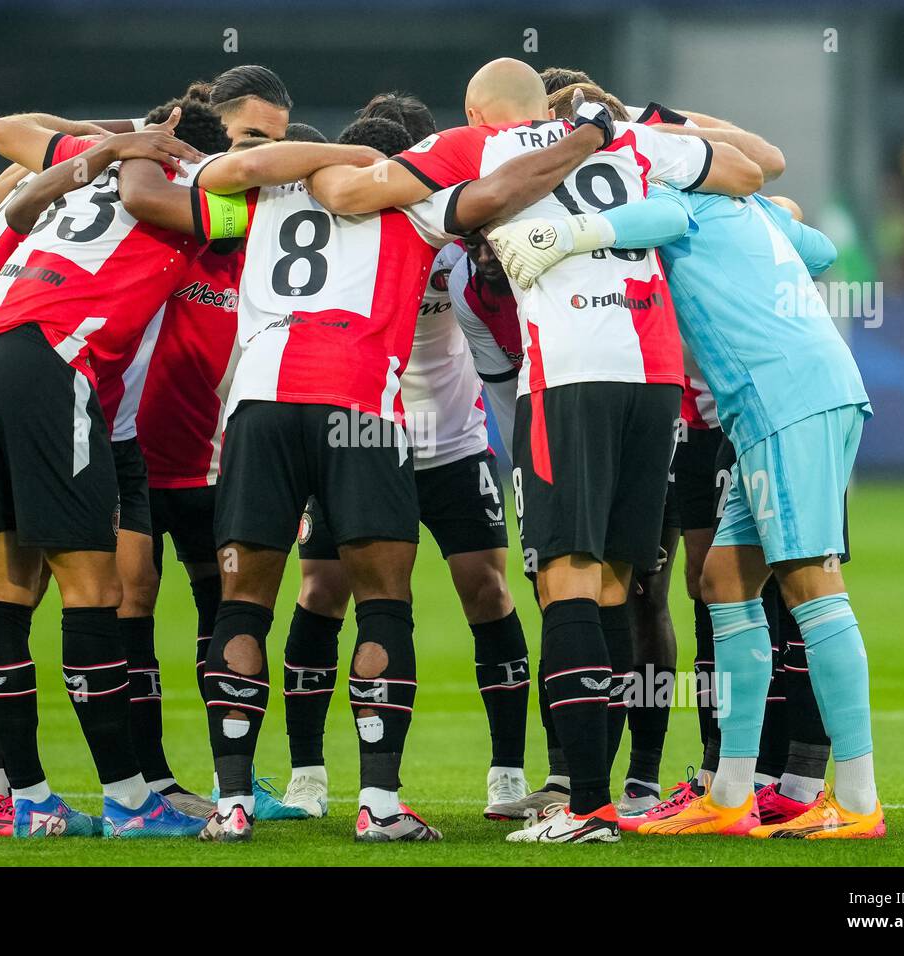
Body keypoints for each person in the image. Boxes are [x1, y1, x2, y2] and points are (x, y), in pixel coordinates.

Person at [180, 106, 621, 843]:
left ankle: (230, 804)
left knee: (242, 602)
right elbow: (496, 194)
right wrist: (582, 138)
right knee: (382, 600)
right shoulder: (418, 206)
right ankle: (379, 805)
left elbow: (215, 177)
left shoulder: (265, 196)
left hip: (258, 403)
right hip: (358, 407)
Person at [491, 184, 883, 839]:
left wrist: (564, 234)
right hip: (784, 400)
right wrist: (769, 211)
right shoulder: (746, 208)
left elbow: (670, 213)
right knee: (724, 581)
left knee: (811, 579)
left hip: (785, 397)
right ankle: (729, 794)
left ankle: (860, 802)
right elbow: (818, 249)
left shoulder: (676, 197)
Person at [0, 110, 258, 839]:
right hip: (54, 362)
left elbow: (6, 177)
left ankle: (31, 801)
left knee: (7, 589)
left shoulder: (93, 168)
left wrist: (116, 137)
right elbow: (215, 201)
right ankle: (130, 801)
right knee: (96, 591)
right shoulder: (186, 191)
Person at [278, 98, 531, 822]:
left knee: (486, 590)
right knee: (322, 592)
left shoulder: (450, 230)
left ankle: (508, 774)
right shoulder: (334, 238)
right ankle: (307, 773)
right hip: (357, 443)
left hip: (453, 444)